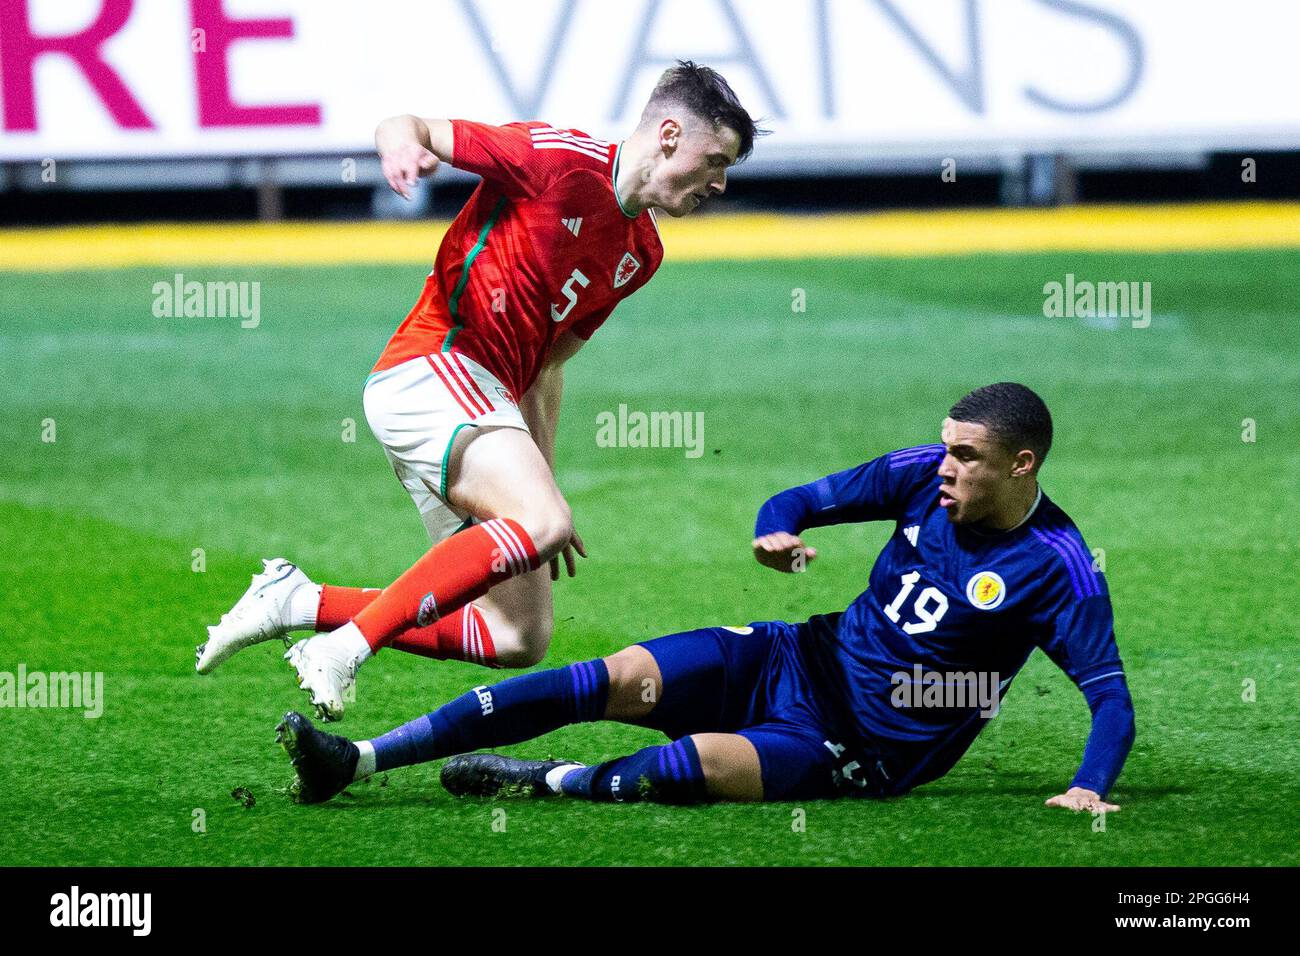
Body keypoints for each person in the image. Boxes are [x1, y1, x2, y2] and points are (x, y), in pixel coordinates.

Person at [195, 61, 763, 722]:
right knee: (540, 524)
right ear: (669, 134)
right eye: (715, 160)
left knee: (517, 636)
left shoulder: (640, 253)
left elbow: (547, 369)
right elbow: (405, 124)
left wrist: (540, 486)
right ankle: (344, 647)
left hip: (484, 401)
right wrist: (400, 148)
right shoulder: (555, 160)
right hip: (433, 365)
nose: (719, 183)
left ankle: (297, 603)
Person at [276, 383, 1136, 812]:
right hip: (793, 655)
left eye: (969, 457)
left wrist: (1090, 786)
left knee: (681, 770)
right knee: (597, 679)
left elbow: (1110, 699)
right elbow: (799, 502)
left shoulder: (1057, 565)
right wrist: (775, 532)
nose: (945, 466)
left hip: (859, 742)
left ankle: (547, 780)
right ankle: (355, 760)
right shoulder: (921, 474)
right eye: (947, 448)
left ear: (1021, 465)